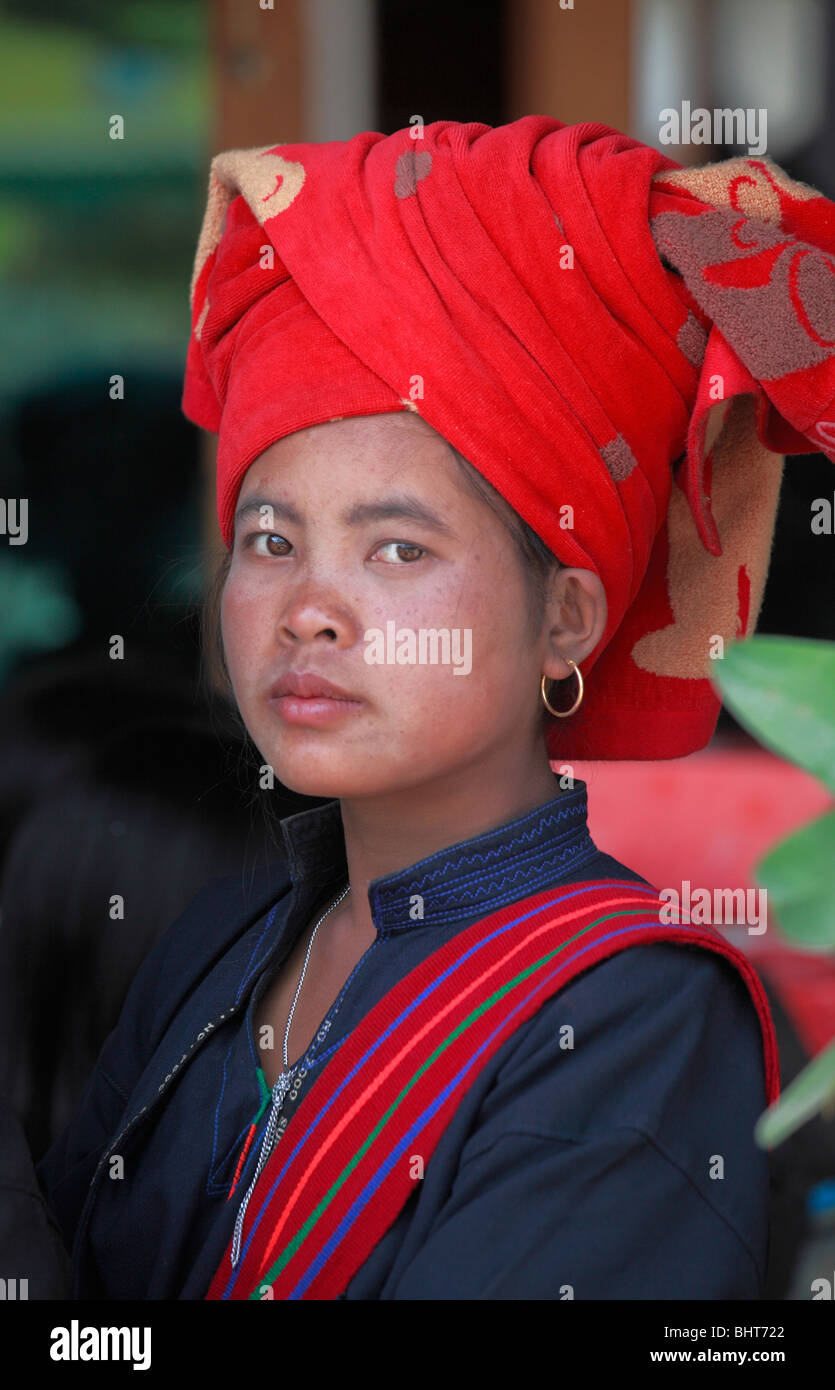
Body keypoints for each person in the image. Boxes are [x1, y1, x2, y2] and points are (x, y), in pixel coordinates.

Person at [36, 114, 835, 1300]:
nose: (309, 609)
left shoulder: (633, 1018)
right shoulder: (224, 943)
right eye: (269, 539)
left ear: (564, 617)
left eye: (397, 550)